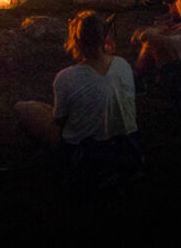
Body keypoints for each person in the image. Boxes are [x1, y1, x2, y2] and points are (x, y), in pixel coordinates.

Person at [14, 11, 141, 185]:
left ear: (76, 40)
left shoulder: (66, 77)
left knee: (25, 107)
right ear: (103, 38)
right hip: (128, 149)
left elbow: (59, 121)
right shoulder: (122, 65)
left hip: (87, 155)